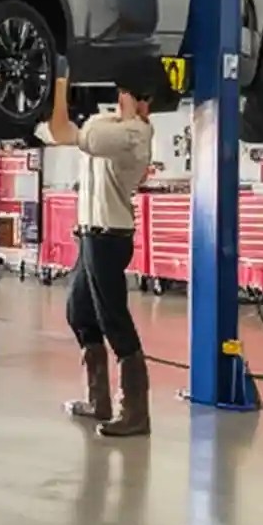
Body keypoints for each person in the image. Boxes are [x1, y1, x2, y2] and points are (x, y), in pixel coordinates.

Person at [37, 61, 154, 438]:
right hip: (89, 236)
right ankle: (98, 400)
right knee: (79, 312)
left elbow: (83, 135)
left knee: (113, 319)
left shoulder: (135, 134)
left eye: (126, 93)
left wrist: (63, 89)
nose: (119, 98)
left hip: (110, 237)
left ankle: (135, 412)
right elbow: (58, 132)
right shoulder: (109, 128)